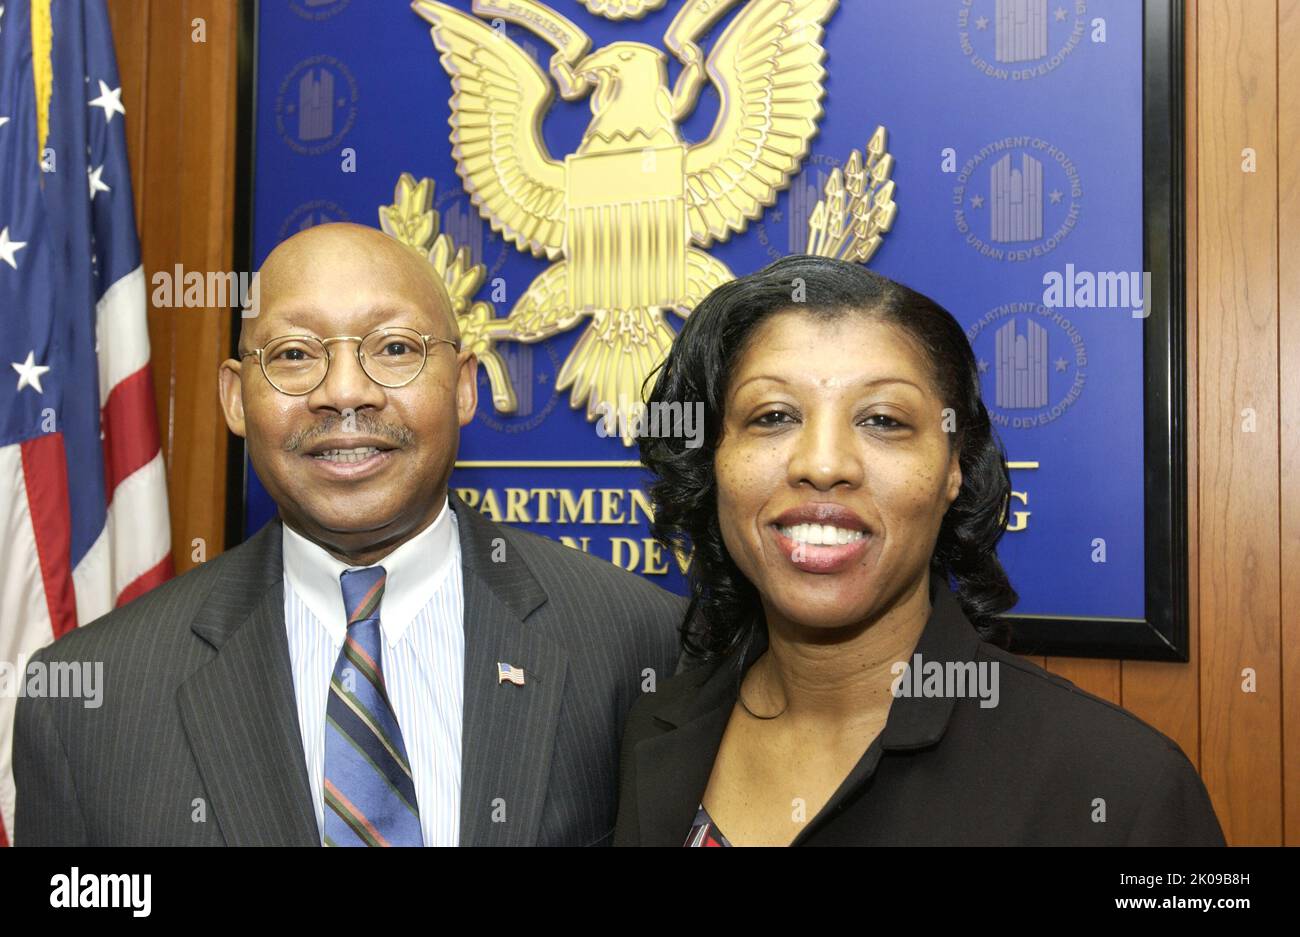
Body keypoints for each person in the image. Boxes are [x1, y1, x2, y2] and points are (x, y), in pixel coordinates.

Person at [14, 222, 683, 846]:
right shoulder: (90, 705)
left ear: (464, 387)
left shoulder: (638, 643)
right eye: (295, 353)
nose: (345, 391)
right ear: (234, 398)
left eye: (395, 348)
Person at [614, 254, 1226, 846]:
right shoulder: (654, 727)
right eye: (773, 416)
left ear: (954, 468)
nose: (823, 465)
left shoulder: (1119, 784)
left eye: (883, 420)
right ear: (714, 463)